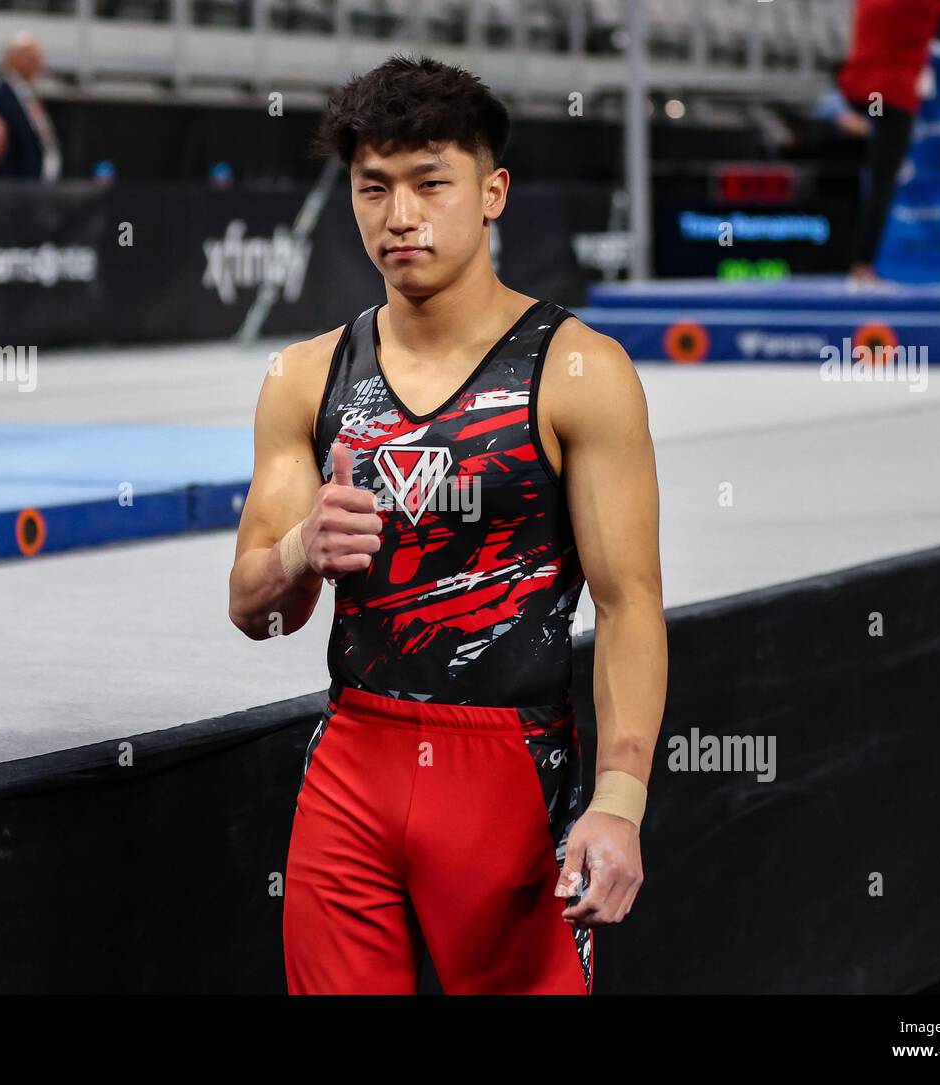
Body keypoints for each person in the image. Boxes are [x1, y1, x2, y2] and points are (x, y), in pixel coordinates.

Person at [228, 55, 666, 995]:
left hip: (510, 772)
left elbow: (631, 606)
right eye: (372, 187)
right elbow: (253, 608)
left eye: (431, 182)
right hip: (353, 760)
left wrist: (620, 801)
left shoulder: (577, 371)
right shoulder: (305, 377)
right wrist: (305, 549)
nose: (400, 215)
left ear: (492, 190)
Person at [835, 0, 940, 283]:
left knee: (875, 163)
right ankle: (862, 268)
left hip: (857, 88)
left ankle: (856, 121)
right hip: (892, 93)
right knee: (883, 182)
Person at [0, 32, 61, 181]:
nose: (39, 63)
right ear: (11, 59)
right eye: (32, 57)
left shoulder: (30, 96)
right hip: (15, 189)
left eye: (39, 57)